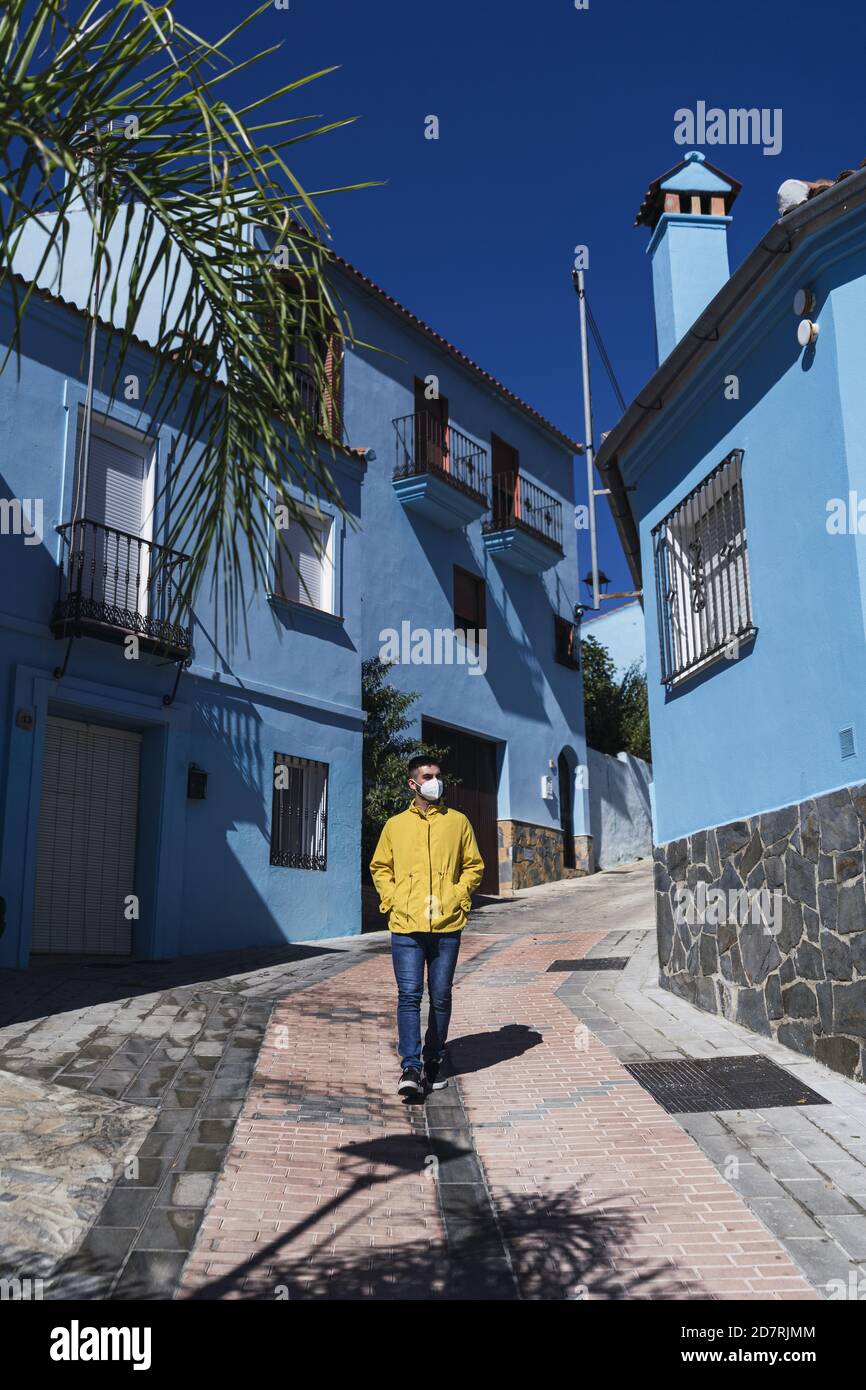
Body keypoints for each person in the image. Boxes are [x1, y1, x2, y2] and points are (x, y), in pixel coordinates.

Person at [370, 755, 485, 1097]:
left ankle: (433, 1059)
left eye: (437, 775)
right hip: (406, 926)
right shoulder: (394, 826)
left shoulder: (459, 822)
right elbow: (380, 868)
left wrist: (458, 897)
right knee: (409, 996)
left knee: (440, 996)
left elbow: (473, 866)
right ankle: (410, 1067)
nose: (435, 781)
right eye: (428, 776)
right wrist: (392, 901)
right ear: (413, 783)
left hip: (447, 925)